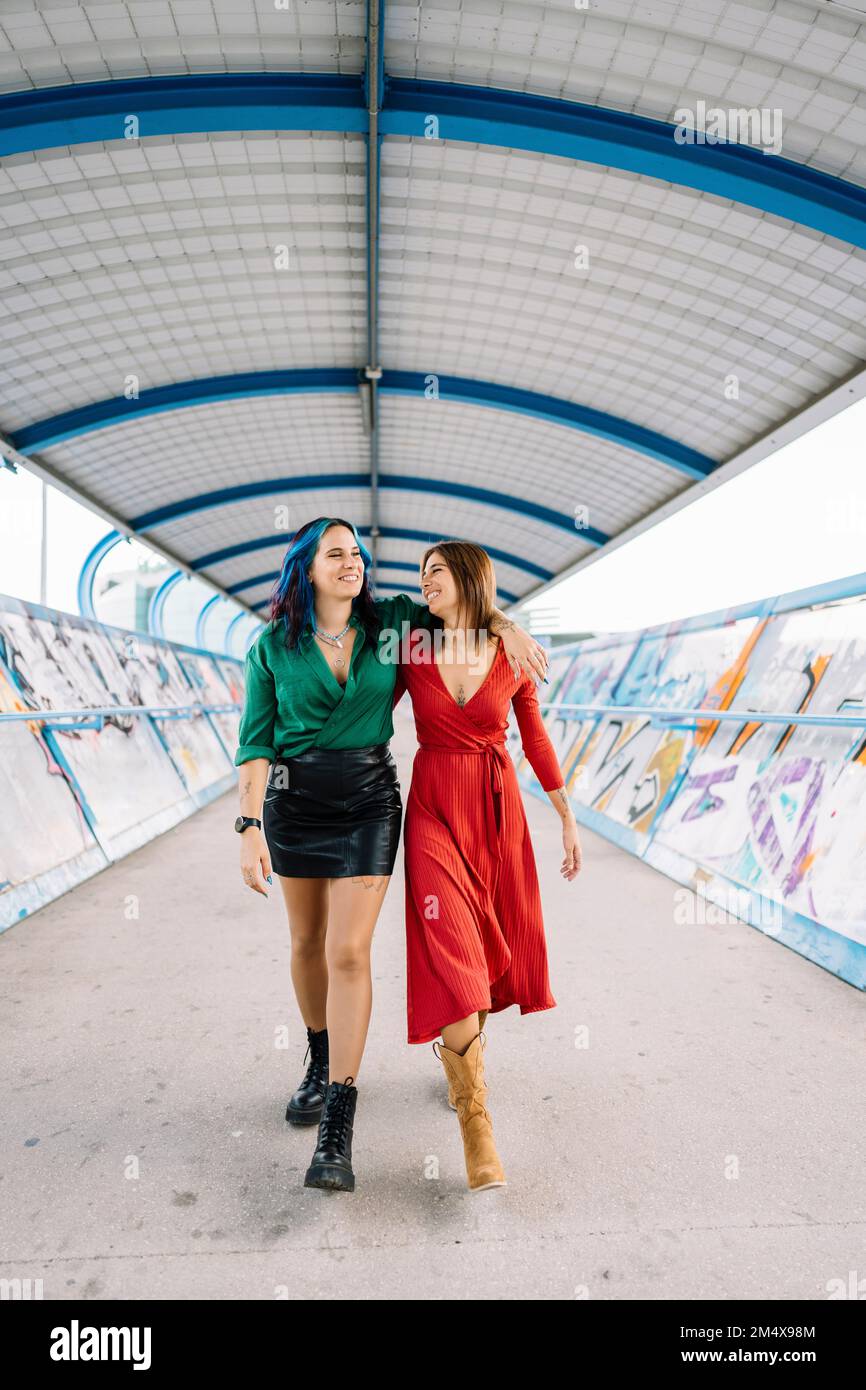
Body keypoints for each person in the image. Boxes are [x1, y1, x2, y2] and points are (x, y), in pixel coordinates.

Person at [233, 516, 549, 1192]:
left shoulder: (393, 622)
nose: (353, 563)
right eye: (336, 554)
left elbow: (464, 608)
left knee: (349, 952)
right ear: (306, 569)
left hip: (371, 803)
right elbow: (255, 743)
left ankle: (338, 1117)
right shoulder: (271, 649)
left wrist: (509, 628)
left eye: (357, 553)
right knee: (306, 942)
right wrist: (247, 825)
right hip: (294, 803)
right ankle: (319, 1060)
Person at [393, 540, 582, 1192]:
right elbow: (361, 704)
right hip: (432, 813)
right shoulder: (413, 648)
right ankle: (477, 1124)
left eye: (437, 571)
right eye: (422, 574)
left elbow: (533, 736)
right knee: (448, 946)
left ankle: (466, 1055)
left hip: (496, 815)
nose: (425, 582)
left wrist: (564, 814)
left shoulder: (512, 655)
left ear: (470, 579)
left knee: (479, 946)